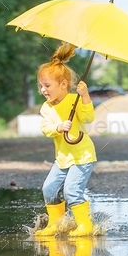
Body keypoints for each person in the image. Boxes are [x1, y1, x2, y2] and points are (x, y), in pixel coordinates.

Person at [36, 43, 96, 237]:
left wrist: (85, 96)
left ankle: (85, 225)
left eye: (47, 86)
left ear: (63, 84)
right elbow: (46, 128)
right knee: (49, 189)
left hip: (82, 156)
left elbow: (88, 118)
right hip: (62, 158)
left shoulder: (74, 100)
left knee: (71, 191)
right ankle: (56, 223)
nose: (43, 90)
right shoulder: (46, 107)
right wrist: (59, 127)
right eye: (41, 86)